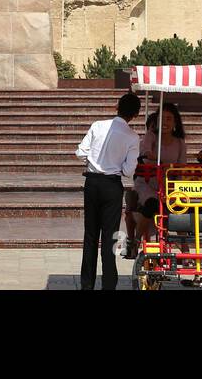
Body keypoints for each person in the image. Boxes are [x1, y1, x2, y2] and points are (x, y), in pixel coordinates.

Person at [75, 92, 141, 290]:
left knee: (90, 235)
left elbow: (80, 152)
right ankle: (109, 283)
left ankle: (87, 284)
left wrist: (94, 162)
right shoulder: (132, 137)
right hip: (112, 185)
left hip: (92, 183)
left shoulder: (97, 125)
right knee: (110, 236)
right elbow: (129, 171)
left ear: (116, 107)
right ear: (136, 114)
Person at [124, 103, 187, 257]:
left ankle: (185, 248)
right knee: (152, 204)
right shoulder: (151, 136)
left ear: (175, 123)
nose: (165, 122)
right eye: (162, 119)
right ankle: (136, 242)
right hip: (148, 182)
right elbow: (146, 153)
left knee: (180, 206)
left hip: (169, 184)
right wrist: (157, 159)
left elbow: (181, 167)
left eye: (169, 119)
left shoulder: (180, 143)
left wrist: (176, 186)